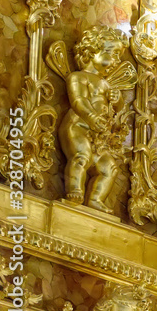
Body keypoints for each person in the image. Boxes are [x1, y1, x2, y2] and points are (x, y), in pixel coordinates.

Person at [58, 27, 127, 212]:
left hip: (98, 137)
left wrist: (117, 99)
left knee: (109, 167)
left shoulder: (105, 83)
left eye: (119, 57)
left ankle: (95, 198)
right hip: (77, 127)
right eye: (113, 54)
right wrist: (91, 116)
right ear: (93, 51)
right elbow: (78, 100)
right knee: (82, 156)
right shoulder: (77, 77)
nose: (116, 61)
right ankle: (75, 190)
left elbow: (117, 108)